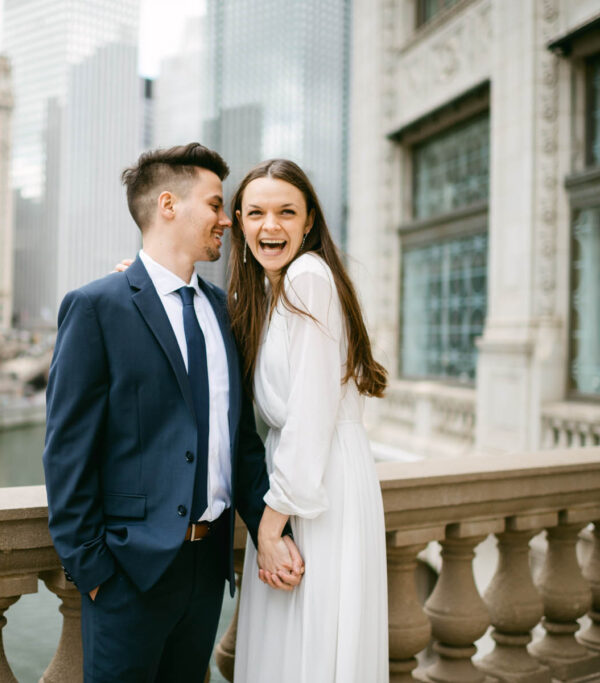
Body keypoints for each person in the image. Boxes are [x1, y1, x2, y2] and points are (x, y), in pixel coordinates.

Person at [42, 143, 304, 683]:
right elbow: (67, 453)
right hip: (126, 575)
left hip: (209, 572)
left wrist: (268, 533)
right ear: (168, 205)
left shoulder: (225, 312)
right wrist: (94, 573)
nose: (227, 221)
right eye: (215, 204)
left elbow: (243, 444)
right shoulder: (96, 307)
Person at [228, 159, 389, 682]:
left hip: (317, 484)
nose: (270, 226)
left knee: (311, 646)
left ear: (310, 221)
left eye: (285, 212)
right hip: (298, 479)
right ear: (238, 221)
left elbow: (311, 417)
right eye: (256, 212)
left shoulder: (308, 277)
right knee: (296, 647)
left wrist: (269, 530)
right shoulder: (270, 293)